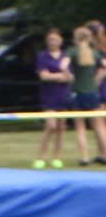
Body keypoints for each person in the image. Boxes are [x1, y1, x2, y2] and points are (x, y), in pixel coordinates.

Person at [35, 27, 73, 168]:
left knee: (61, 128)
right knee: (51, 126)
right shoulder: (42, 57)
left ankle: (57, 157)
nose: (53, 42)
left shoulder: (66, 57)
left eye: (56, 40)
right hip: (48, 96)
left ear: (61, 41)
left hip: (63, 95)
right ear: (47, 41)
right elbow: (44, 76)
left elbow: (70, 77)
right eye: (50, 40)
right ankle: (41, 157)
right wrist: (59, 76)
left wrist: (60, 76)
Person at [75, 23, 106, 165]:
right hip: (96, 90)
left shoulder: (97, 52)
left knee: (98, 123)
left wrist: (95, 82)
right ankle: (101, 153)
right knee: (98, 123)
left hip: (97, 89)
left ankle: (102, 153)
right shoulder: (98, 51)